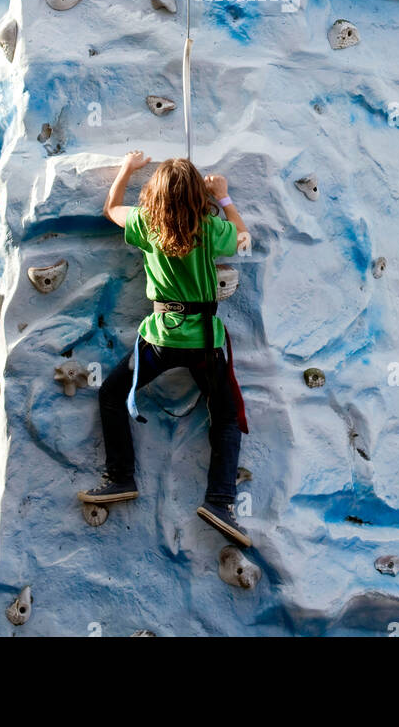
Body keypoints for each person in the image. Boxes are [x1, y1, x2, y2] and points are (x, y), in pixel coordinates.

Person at [78, 153, 252, 547]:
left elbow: (110, 209)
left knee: (112, 394)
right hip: (205, 341)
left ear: (154, 196)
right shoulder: (209, 229)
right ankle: (219, 502)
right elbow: (241, 236)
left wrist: (127, 169)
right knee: (225, 416)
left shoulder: (146, 224)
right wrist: (223, 198)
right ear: (196, 196)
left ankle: (121, 476)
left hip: (159, 338)